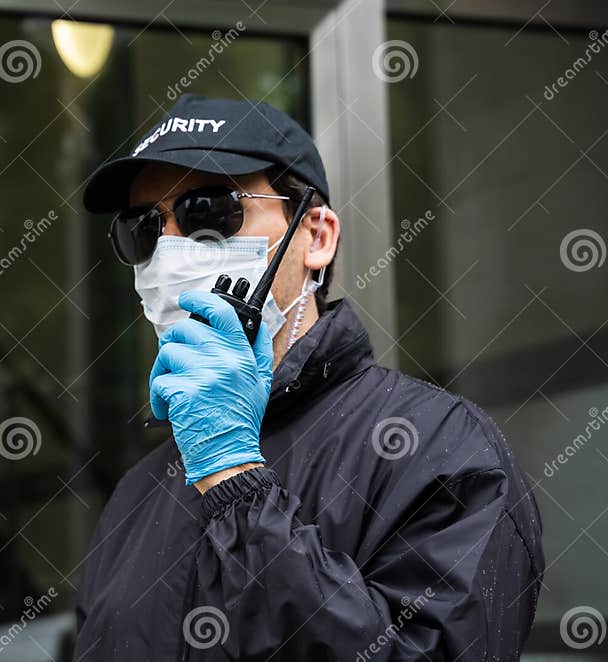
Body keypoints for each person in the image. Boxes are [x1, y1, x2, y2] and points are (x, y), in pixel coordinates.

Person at [72, 94, 544, 661]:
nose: (171, 250)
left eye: (208, 211)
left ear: (316, 236)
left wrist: (236, 482)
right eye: (144, 228)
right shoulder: (140, 491)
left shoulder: (441, 451)